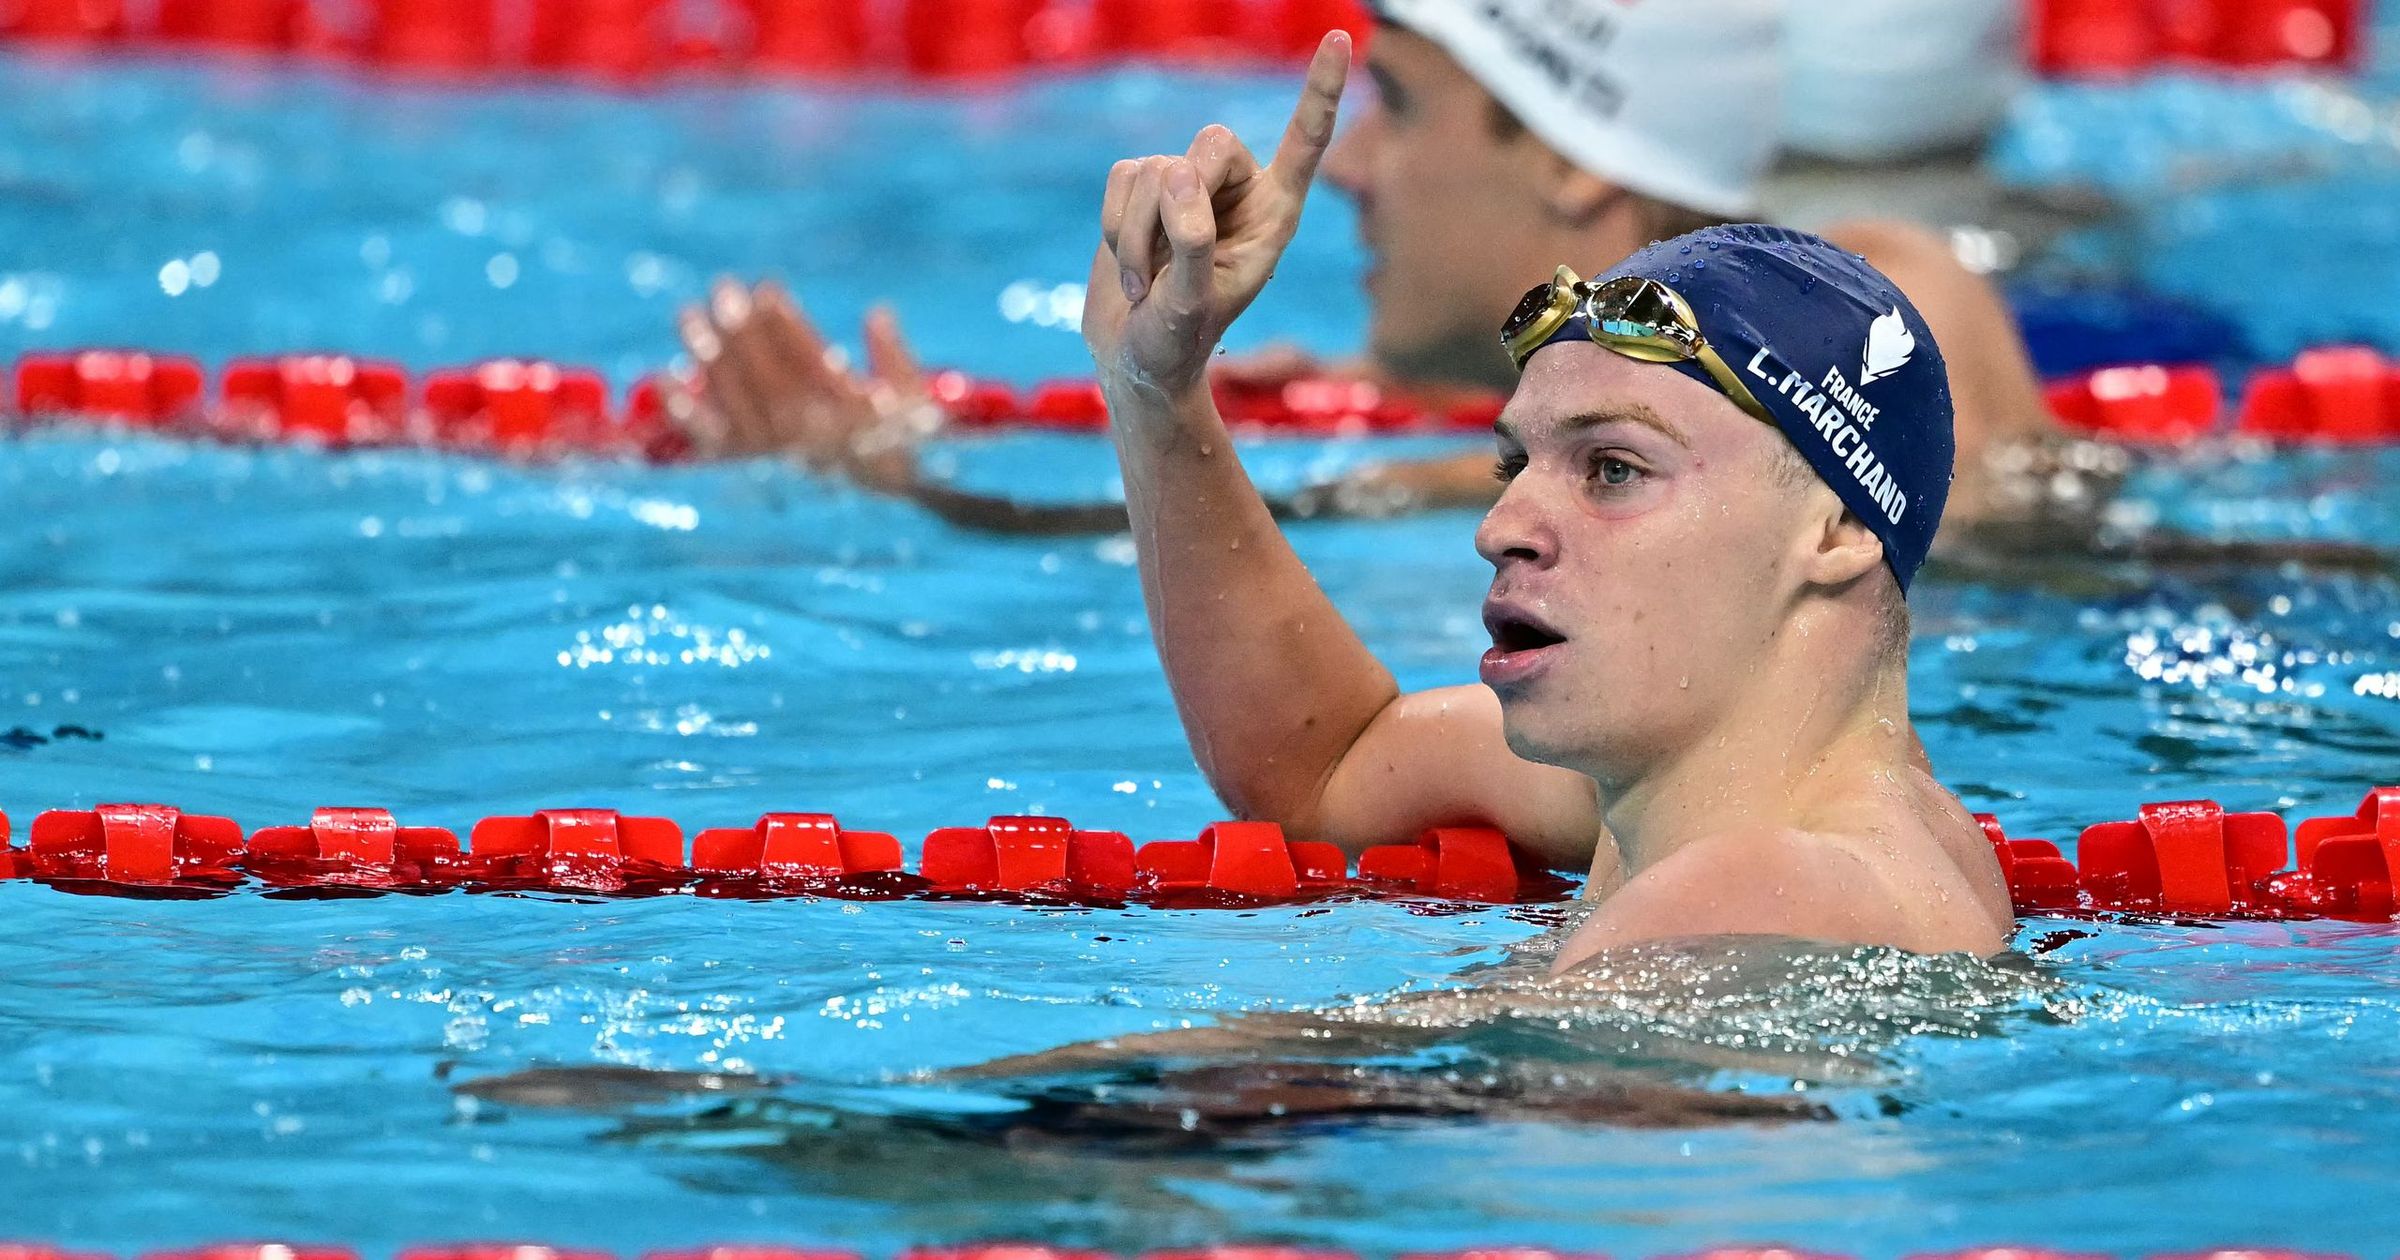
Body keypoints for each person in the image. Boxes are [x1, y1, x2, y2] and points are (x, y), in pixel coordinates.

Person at [1082, 33, 2012, 966]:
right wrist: (1154, 391)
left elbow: (1389, 1060)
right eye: (1514, 466)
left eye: (1614, 469)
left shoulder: (1760, 893)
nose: (1501, 530)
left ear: (1839, 530)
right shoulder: (1722, 783)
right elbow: (1327, 766)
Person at [666, 0, 2062, 542]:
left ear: (1570, 158)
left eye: (1397, 100)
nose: (1349, 166)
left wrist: (925, 489)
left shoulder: (1881, 302)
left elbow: (1702, 455)